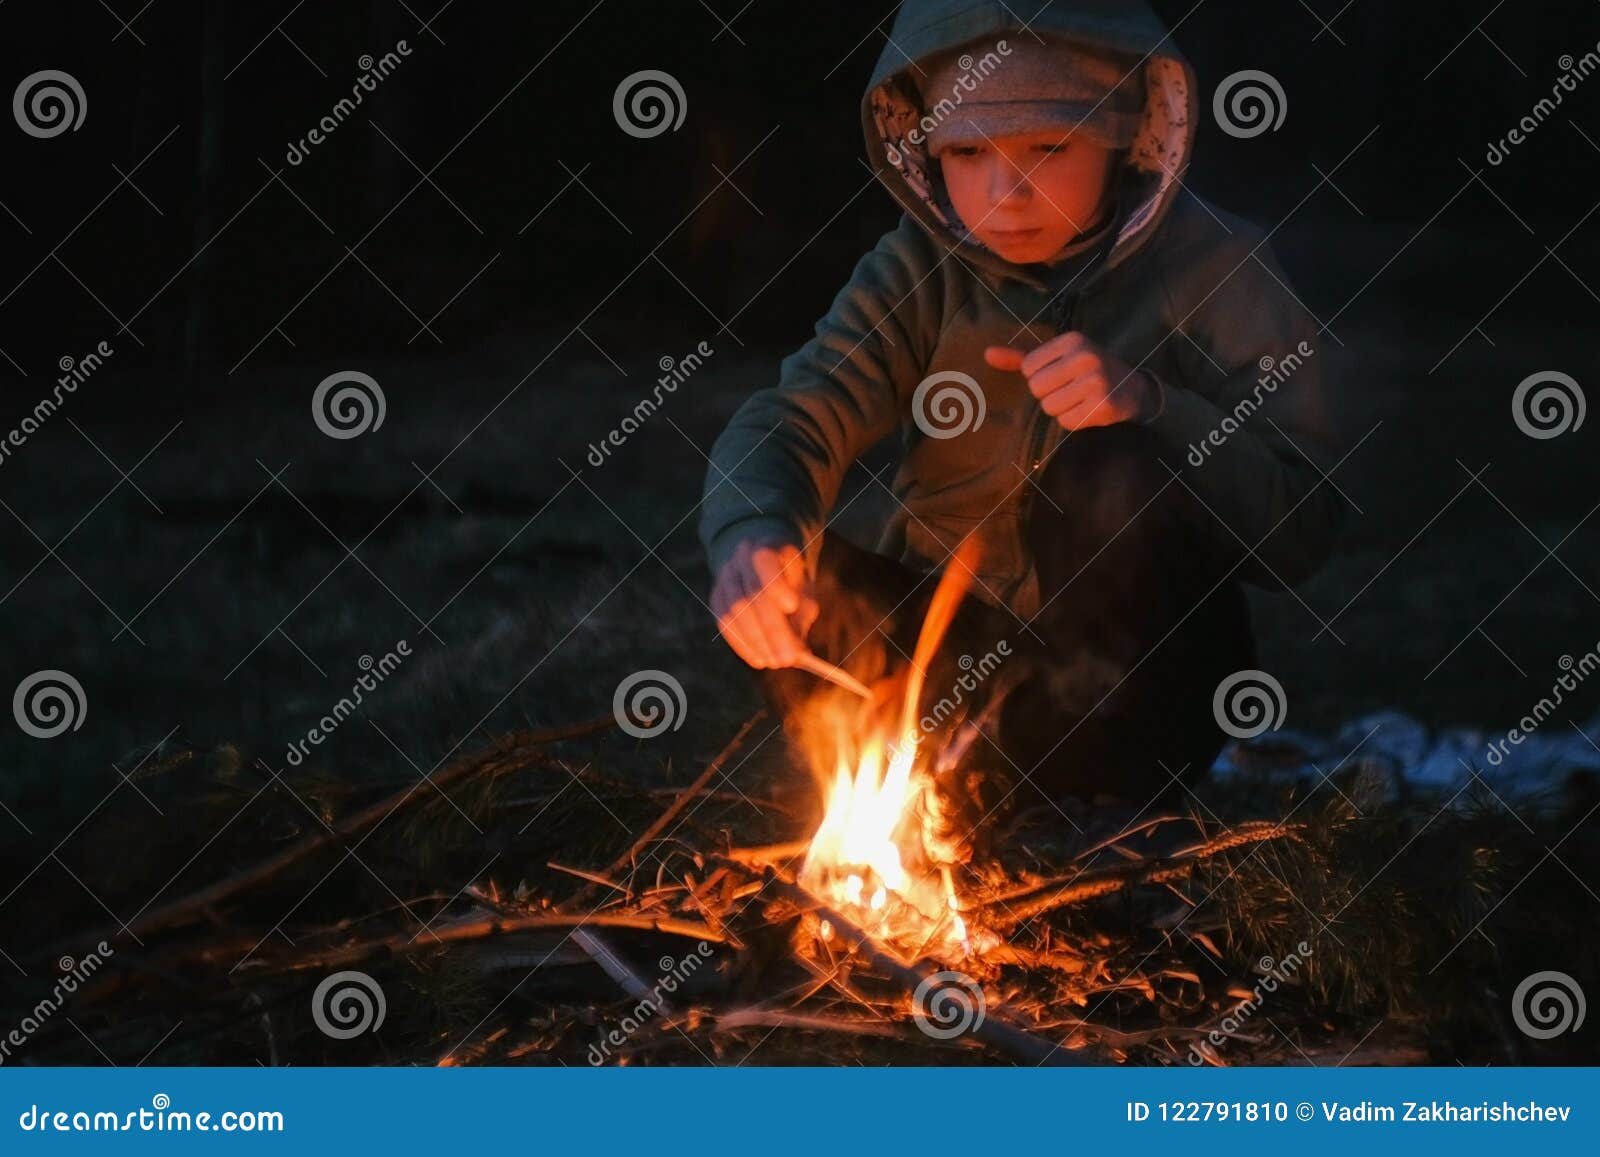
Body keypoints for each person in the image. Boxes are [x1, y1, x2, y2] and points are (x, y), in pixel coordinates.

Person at [699, 0, 1345, 815]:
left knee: (1107, 461)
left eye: (1049, 146)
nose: (1008, 191)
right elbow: (798, 414)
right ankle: (933, 811)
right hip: (945, 679)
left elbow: (1306, 524)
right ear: (925, 150)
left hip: (1138, 689)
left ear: (1126, 134)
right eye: (967, 151)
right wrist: (754, 536)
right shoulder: (919, 272)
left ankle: (1093, 811)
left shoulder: (1217, 267)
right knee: (800, 577)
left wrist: (1154, 404)